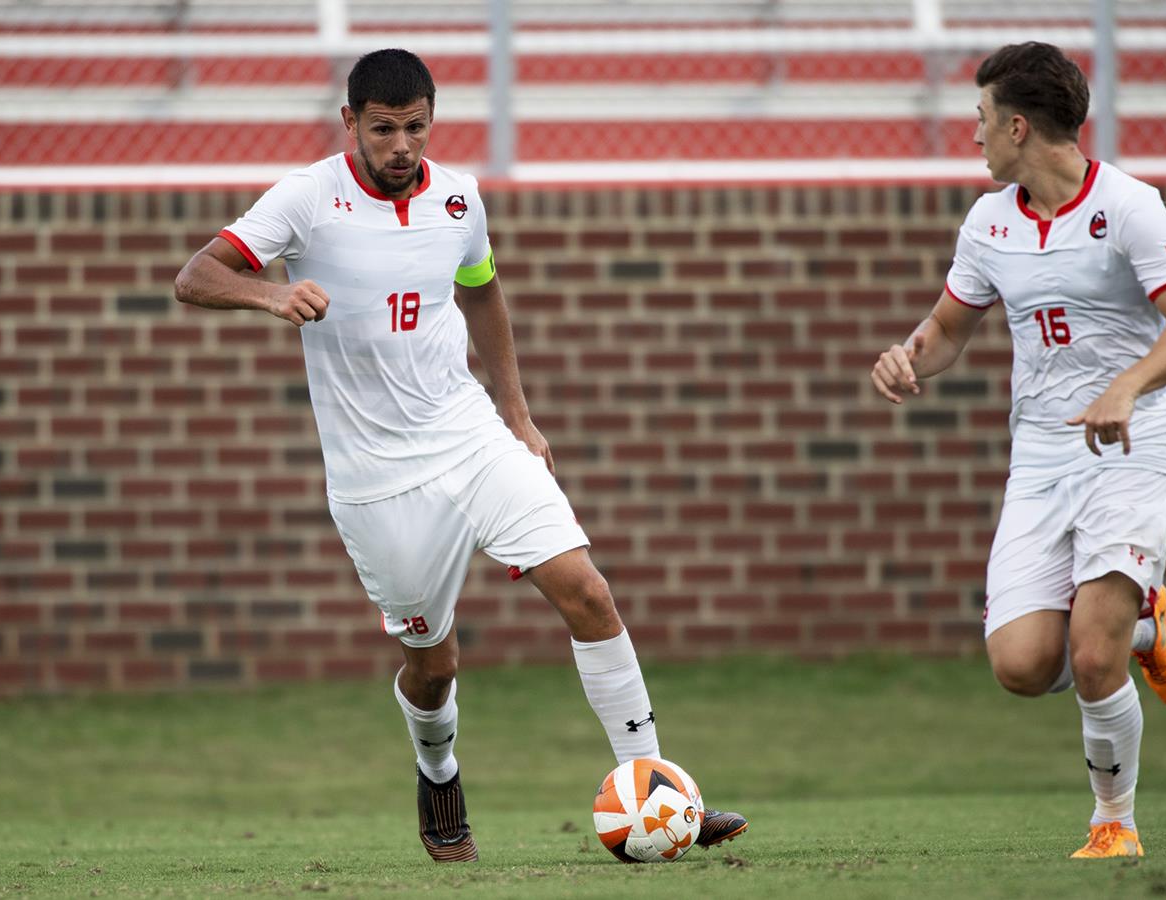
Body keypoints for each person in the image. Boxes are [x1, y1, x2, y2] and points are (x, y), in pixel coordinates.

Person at [173, 48, 747, 863]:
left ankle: (656, 786)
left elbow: (481, 291)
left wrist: (516, 413)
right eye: (383, 130)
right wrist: (270, 293)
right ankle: (438, 767)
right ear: (350, 124)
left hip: (470, 436)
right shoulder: (307, 198)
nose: (401, 145)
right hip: (376, 481)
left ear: (432, 119)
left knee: (587, 591)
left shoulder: (458, 198)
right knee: (433, 667)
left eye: (415, 127)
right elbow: (194, 275)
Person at [869, 42, 1166, 859]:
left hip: (1131, 448)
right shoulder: (989, 220)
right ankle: (1147, 627)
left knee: (1090, 656)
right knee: (1023, 665)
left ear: (1019, 127)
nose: (975, 136)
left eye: (983, 121)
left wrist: (1127, 387)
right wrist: (906, 354)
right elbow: (950, 329)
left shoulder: (1130, 206)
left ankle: (1114, 822)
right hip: (1038, 458)